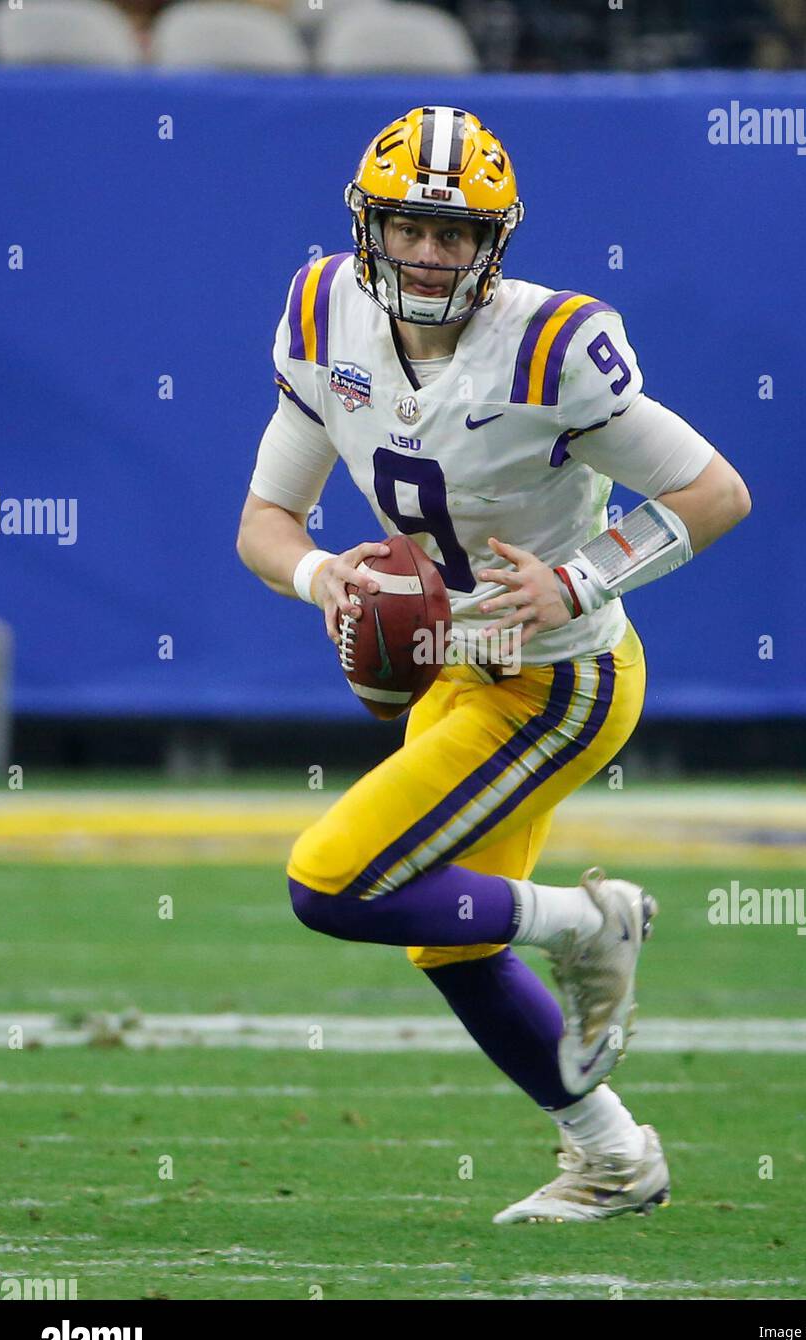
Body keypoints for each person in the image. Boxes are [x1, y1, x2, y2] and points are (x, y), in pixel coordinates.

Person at [236, 107, 751, 1223]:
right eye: (410, 227)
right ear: (369, 227)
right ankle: (612, 1158)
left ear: (492, 243)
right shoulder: (324, 312)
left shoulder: (549, 347)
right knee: (446, 932)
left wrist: (580, 578)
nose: (429, 252)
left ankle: (589, 925)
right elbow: (266, 522)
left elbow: (714, 492)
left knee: (330, 881)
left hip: (559, 679)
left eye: (456, 233)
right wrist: (325, 578)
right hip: (453, 667)